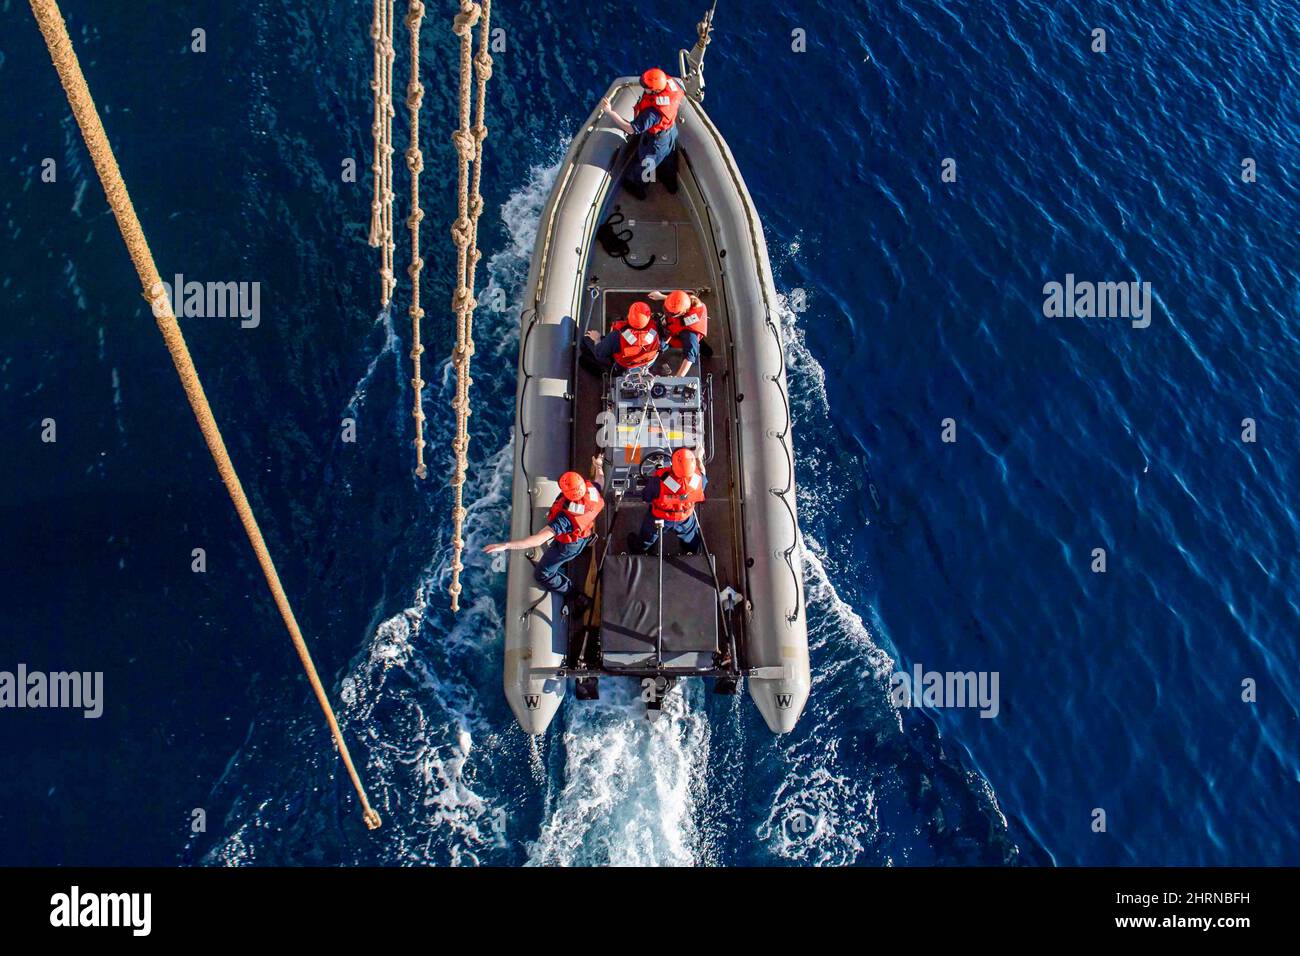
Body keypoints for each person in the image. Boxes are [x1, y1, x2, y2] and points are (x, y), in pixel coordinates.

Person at [484, 456, 606, 597]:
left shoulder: (564, 520)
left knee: (543, 574)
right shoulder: (592, 491)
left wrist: (506, 545)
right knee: (573, 545)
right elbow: (600, 481)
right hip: (583, 534)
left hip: (569, 545)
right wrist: (598, 466)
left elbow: (538, 540)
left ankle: (575, 595)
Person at [599, 68, 686, 199]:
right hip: (670, 133)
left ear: (656, 90)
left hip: (655, 142)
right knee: (668, 159)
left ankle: (639, 189)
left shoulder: (652, 113)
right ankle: (670, 185)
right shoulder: (672, 85)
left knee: (646, 165)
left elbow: (631, 129)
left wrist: (610, 112)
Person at [634, 447, 706, 555]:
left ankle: (641, 550)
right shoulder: (698, 481)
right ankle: (692, 550)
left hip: (659, 517)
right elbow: (703, 473)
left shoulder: (659, 481)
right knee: (690, 536)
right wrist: (699, 458)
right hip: (685, 518)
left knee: (648, 536)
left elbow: (646, 496)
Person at [581, 300, 661, 374]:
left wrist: (597, 339)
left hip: (621, 367)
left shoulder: (616, 336)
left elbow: (600, 352)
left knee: (587, 340)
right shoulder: (655, 331)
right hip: (643, 364)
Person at [648, 289, 709, 376]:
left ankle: (708, 355)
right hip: (677, 329)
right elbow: (676, 301)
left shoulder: (689, 333)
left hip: (682, 338)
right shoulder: (686, 301)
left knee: (700, 348)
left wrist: (678, 378)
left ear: (683, 313)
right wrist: (661, 296)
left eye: (671, 314)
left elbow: (690, 357)